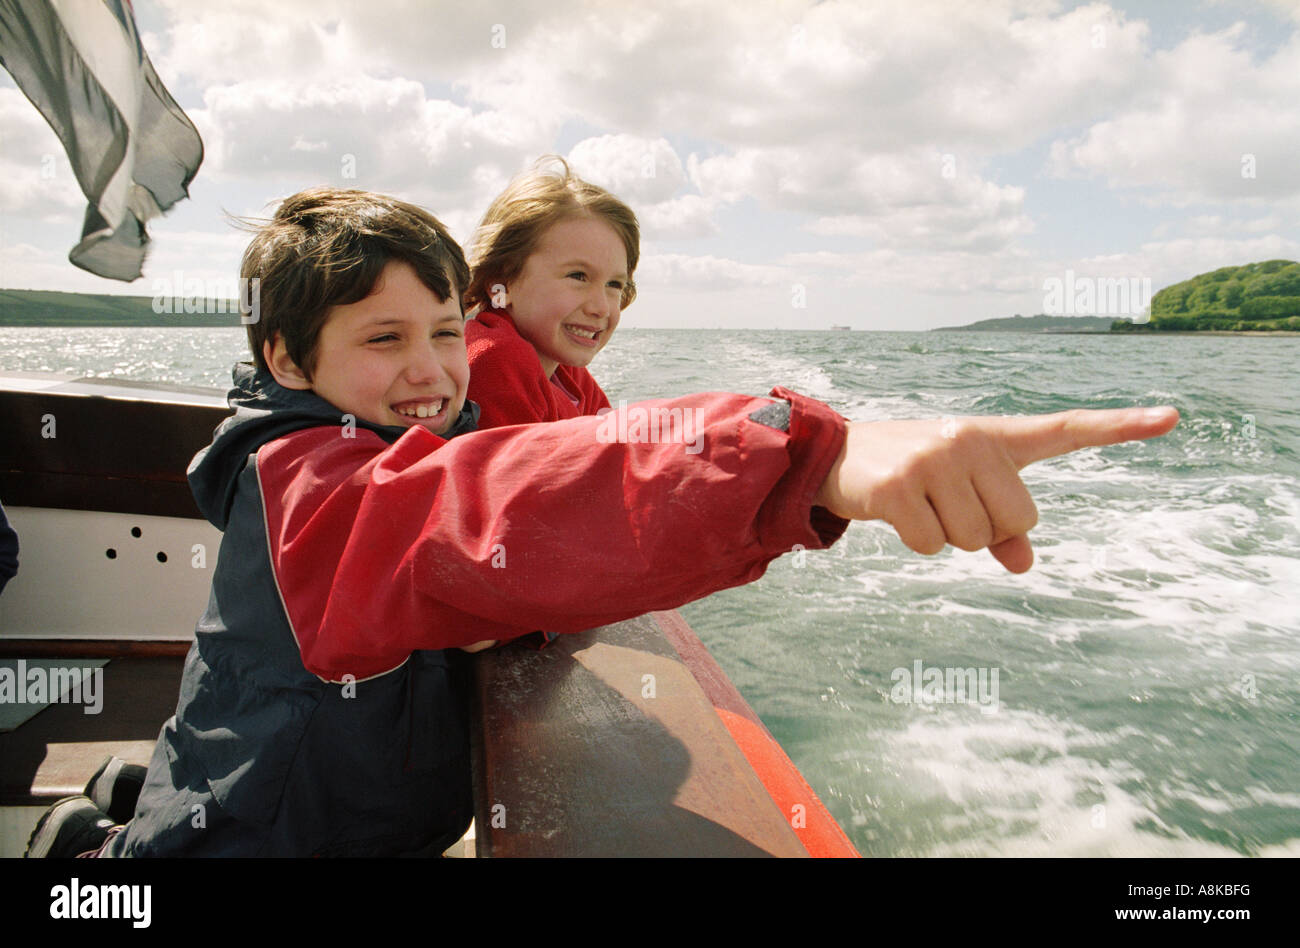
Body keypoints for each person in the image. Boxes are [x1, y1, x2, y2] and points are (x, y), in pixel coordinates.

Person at [26, 186, 1178, 857]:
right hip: (267, 834)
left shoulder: (389, 436)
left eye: (439, 331)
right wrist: (806, 456)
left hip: (348, 798)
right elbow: (464, 511)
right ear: (284, 358)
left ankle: (126, 805)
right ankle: (106, 846)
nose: (431, 370)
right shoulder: (301, 476)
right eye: (383, 342)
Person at [462, 157, 634, 428]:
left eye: (614, 285)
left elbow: (612, 442)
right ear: (502, 282)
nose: (600, 307)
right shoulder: (496, 359)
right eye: (578, 276)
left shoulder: (566, 370)